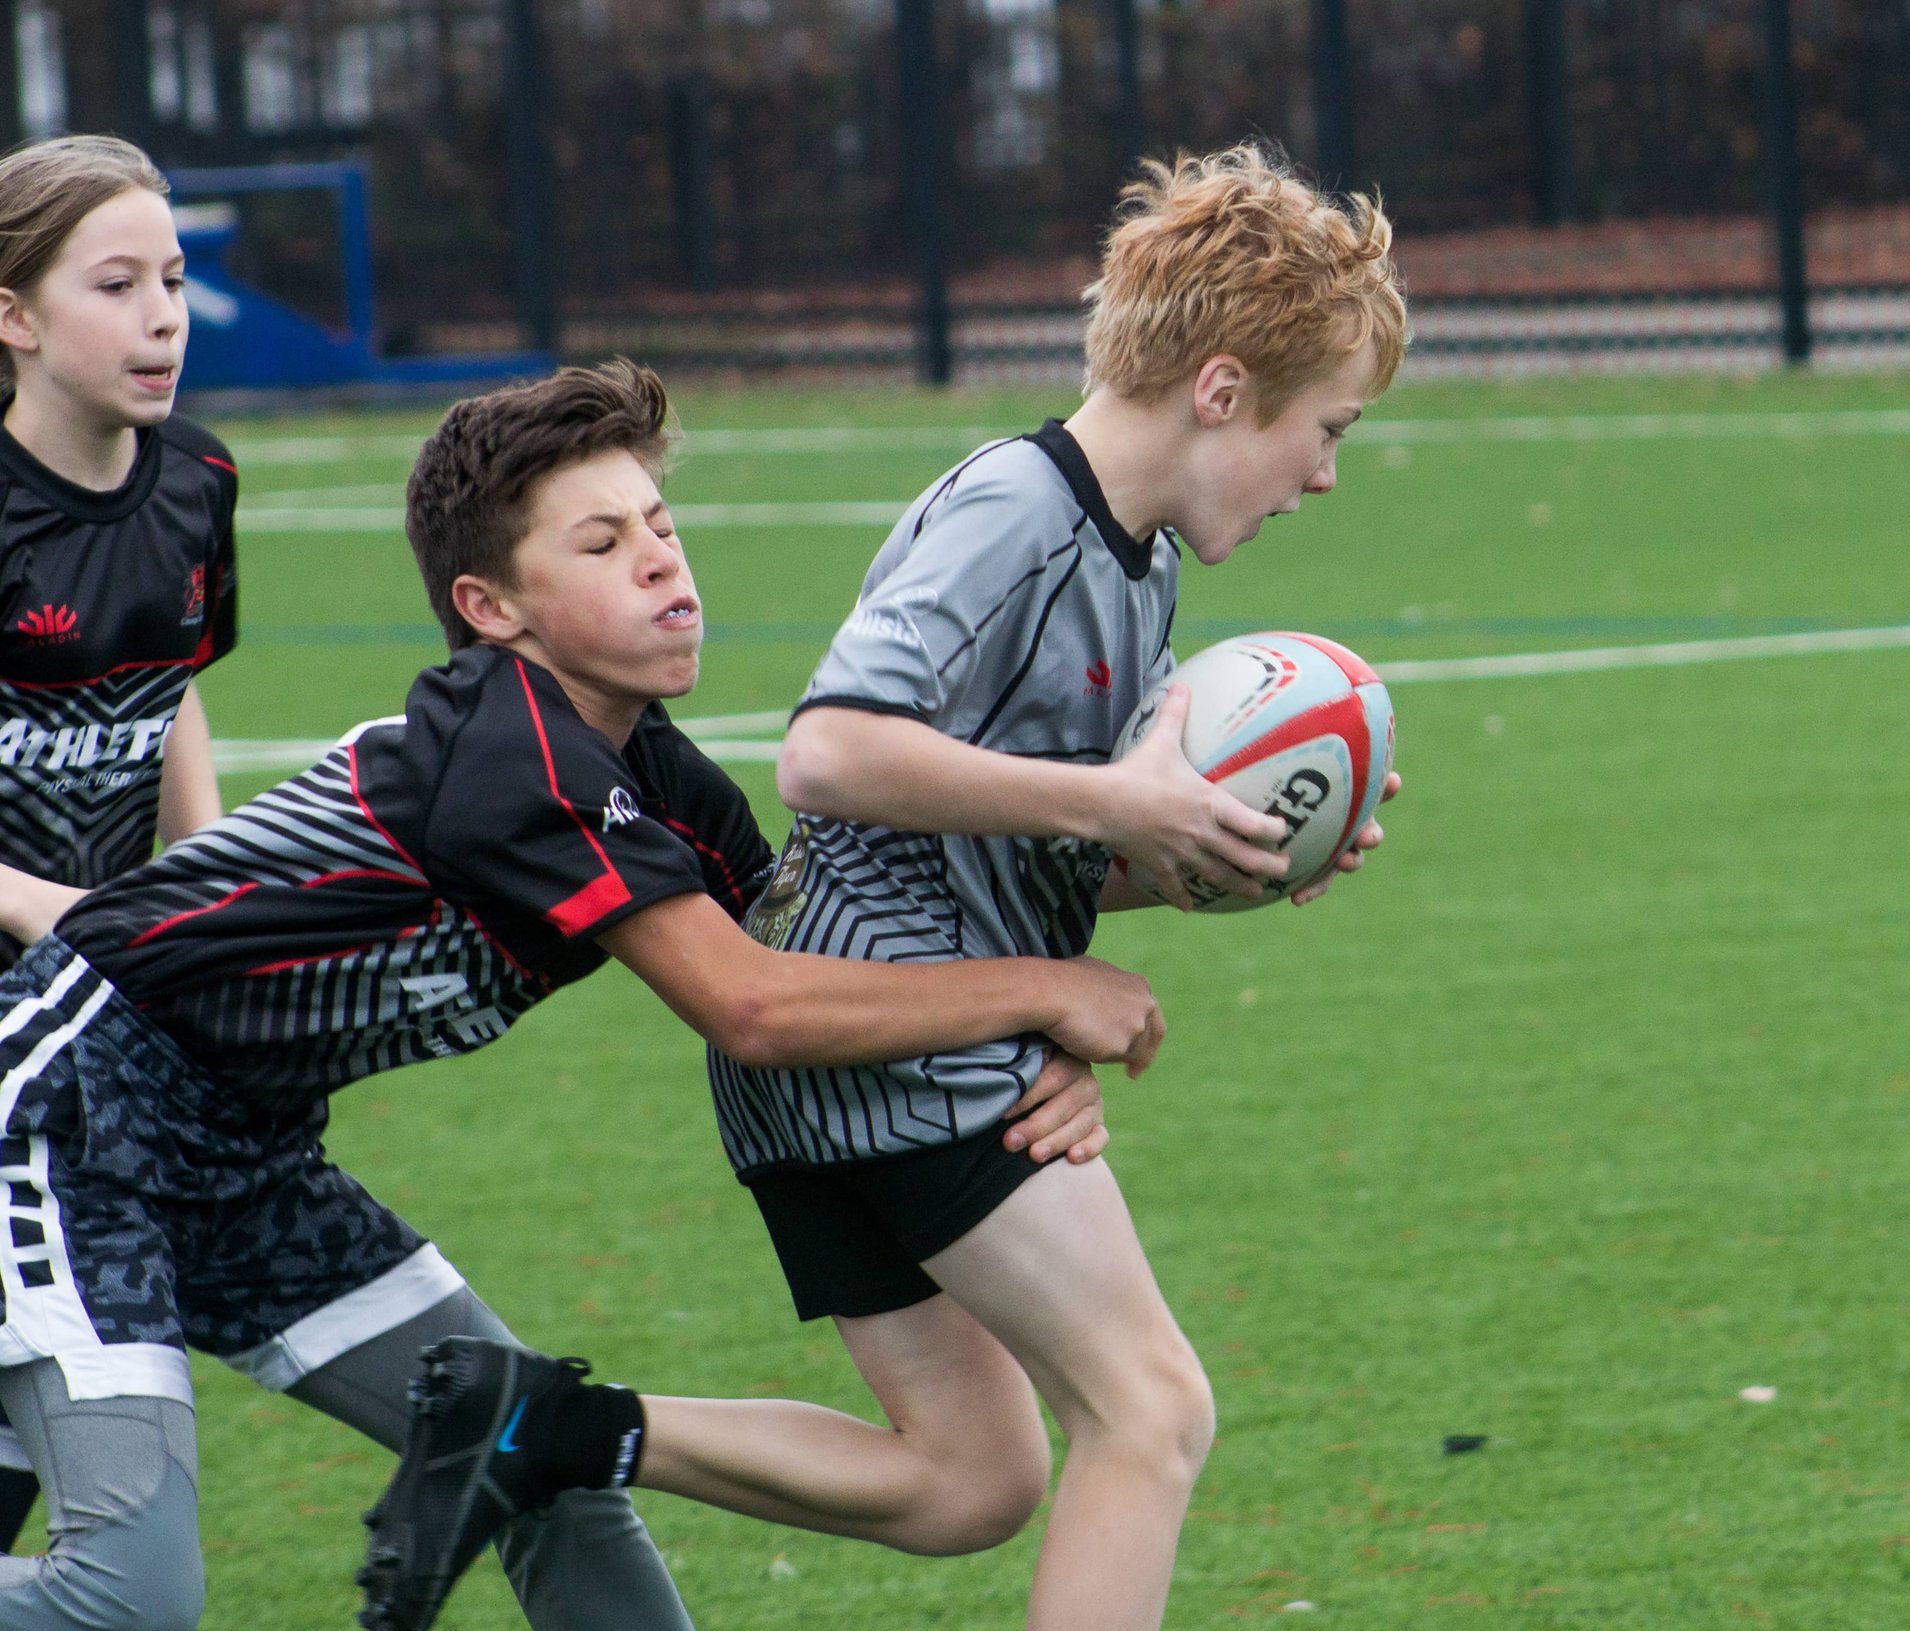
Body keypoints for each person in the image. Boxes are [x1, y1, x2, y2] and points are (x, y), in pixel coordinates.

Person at [359, 144, 1405, 1631]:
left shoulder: (1138, 561)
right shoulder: (1017, 513)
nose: (1325, 472)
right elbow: (834, 754)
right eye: (1326, 427)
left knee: (972, 1479)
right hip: (889, 1027)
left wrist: (1205, 858)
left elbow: (1004, 839)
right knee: (1153, 1410)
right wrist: (1112, 823)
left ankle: (542, 1426)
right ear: (1223, 388)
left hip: (857, 1040)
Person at [0, 360, 1161, 1631]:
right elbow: (757, 1006)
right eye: (604, 542)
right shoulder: (511, 752)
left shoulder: (656, 774)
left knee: (536, 1450)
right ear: (490, 606)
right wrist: (1047, 987)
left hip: (246, 1156)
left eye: (661, 527)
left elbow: (841, 951)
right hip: (65, 1116)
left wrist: (1121, 929)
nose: (664, 562)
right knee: (128, 1600)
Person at [0, 134, 239, 1555]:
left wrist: (202, 883)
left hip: (85, 1012)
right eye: (117, 283)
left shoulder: (196, 478)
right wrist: (45, 903)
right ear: (14, 316)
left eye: (177, 276)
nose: (164, 314)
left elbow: (174, 682)